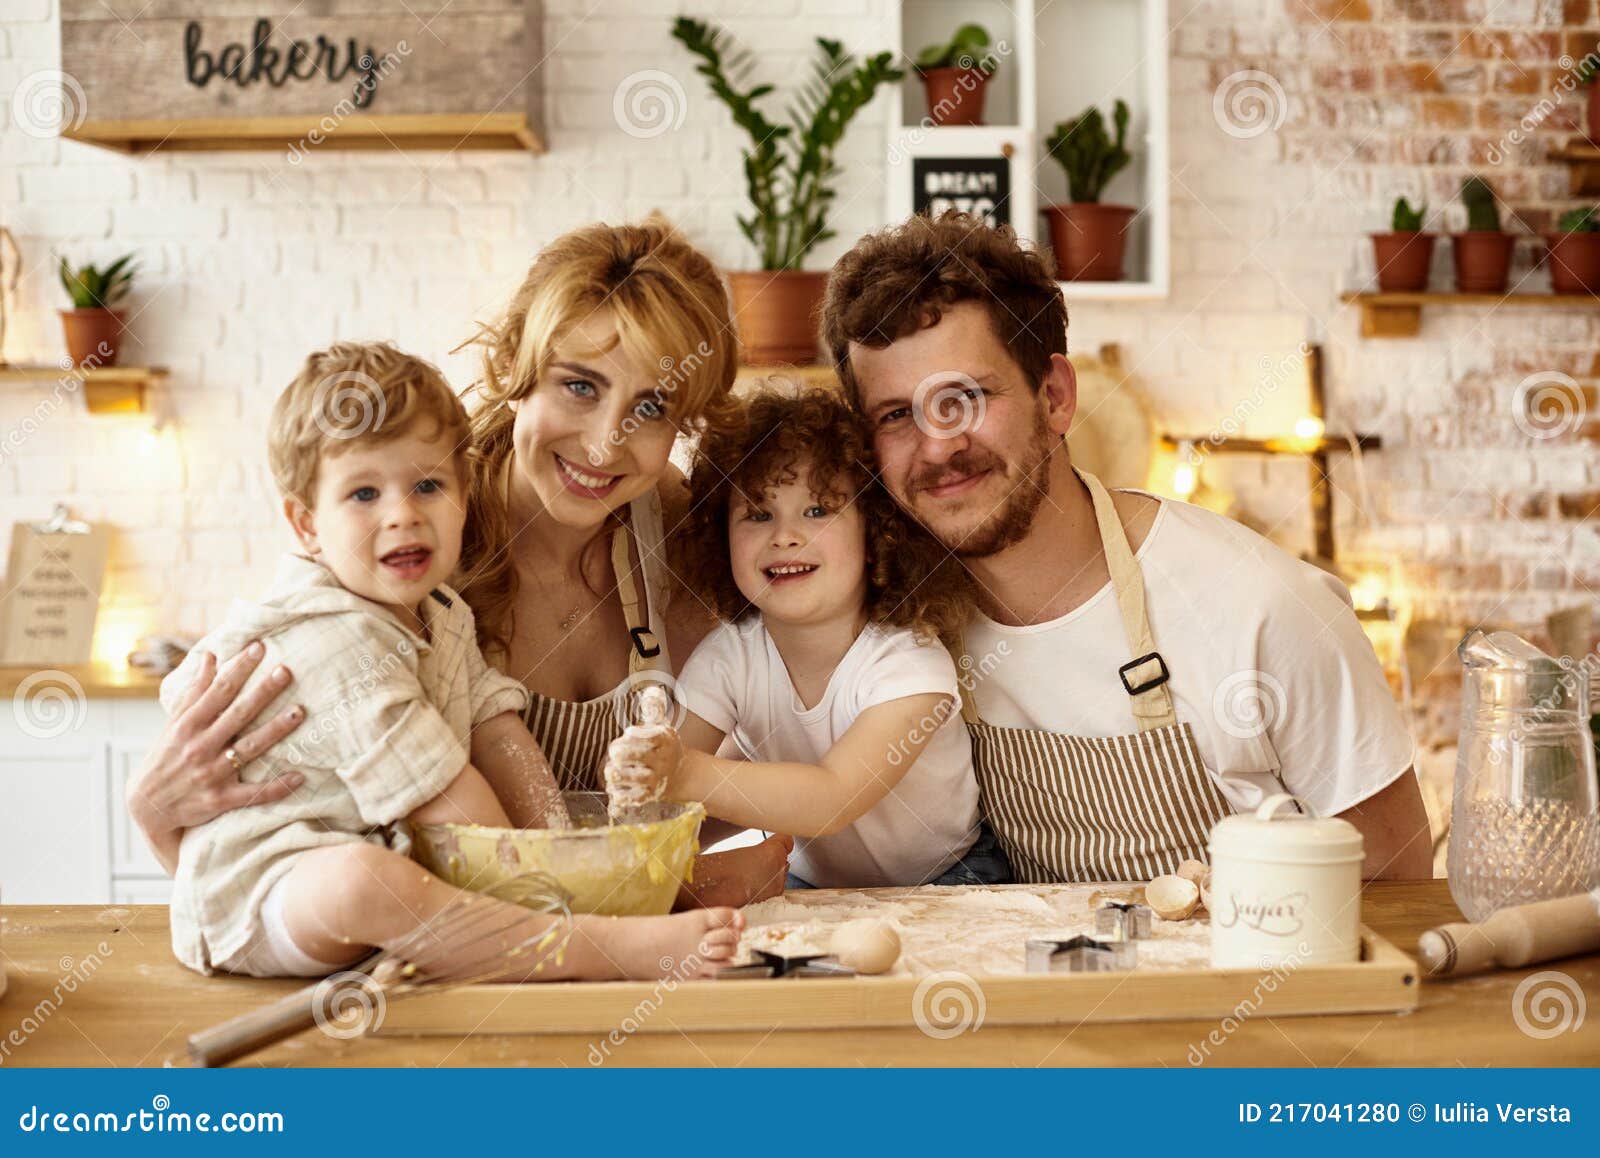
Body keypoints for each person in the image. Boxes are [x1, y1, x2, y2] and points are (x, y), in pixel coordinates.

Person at [128, 219, 793, 908]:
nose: (604, 446)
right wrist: (152, 811)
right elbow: (247, 866)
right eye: (579, 386)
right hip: (447, 945)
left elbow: (728, 762)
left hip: (598, 932)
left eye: (651, 406)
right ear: (514, 366)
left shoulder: (679, 533)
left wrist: (692, 867)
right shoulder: (409, 542)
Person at [818, 212, 1433, 882]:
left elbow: (1398, 897)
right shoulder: (902, 633)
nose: (939, 446)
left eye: (966, 397)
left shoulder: (1268, 611)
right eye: (896, 415)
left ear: (1055, 397)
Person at [160, 341, 741, 980]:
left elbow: (495, 728)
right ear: (306, 525)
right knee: (362, 880)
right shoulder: (333, 637)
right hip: (262, 895)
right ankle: (597, 948)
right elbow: (445, 797)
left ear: (463, 493)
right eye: (363, 494)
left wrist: (561, 846)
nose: (402, 516)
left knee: (394, 877)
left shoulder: (443, 611)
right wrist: (552, 891)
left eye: (428, 485)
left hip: (380, 889)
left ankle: (550, 927)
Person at [635, 384, 1007, 889]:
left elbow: (831, 799)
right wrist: (645, 771)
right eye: (758, 514)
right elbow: (668, 779)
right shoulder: (728, 654)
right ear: (721, 537)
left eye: (817, 510)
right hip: (813, 882)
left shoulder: (907, 659)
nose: (785, 536)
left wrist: (684, 773)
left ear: (875, 533)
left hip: (949, 878)